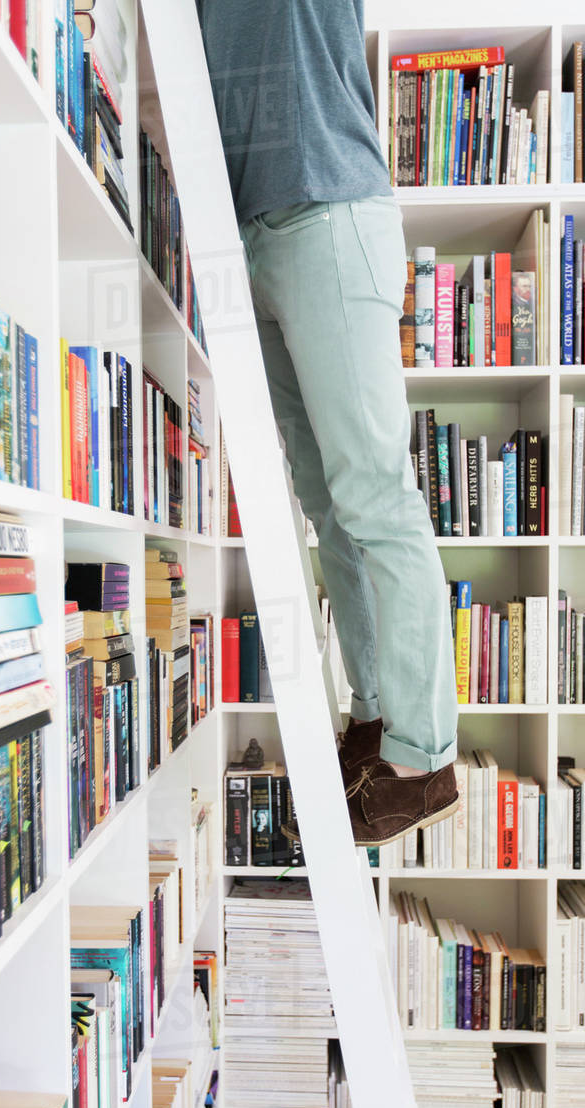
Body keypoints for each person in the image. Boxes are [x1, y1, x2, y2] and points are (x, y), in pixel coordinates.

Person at [197, 0, 459, 846]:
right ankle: (375, 718)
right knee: (328, 505)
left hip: (329, 209)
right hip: (246, 234)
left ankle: (425, 761)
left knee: (376, 496)